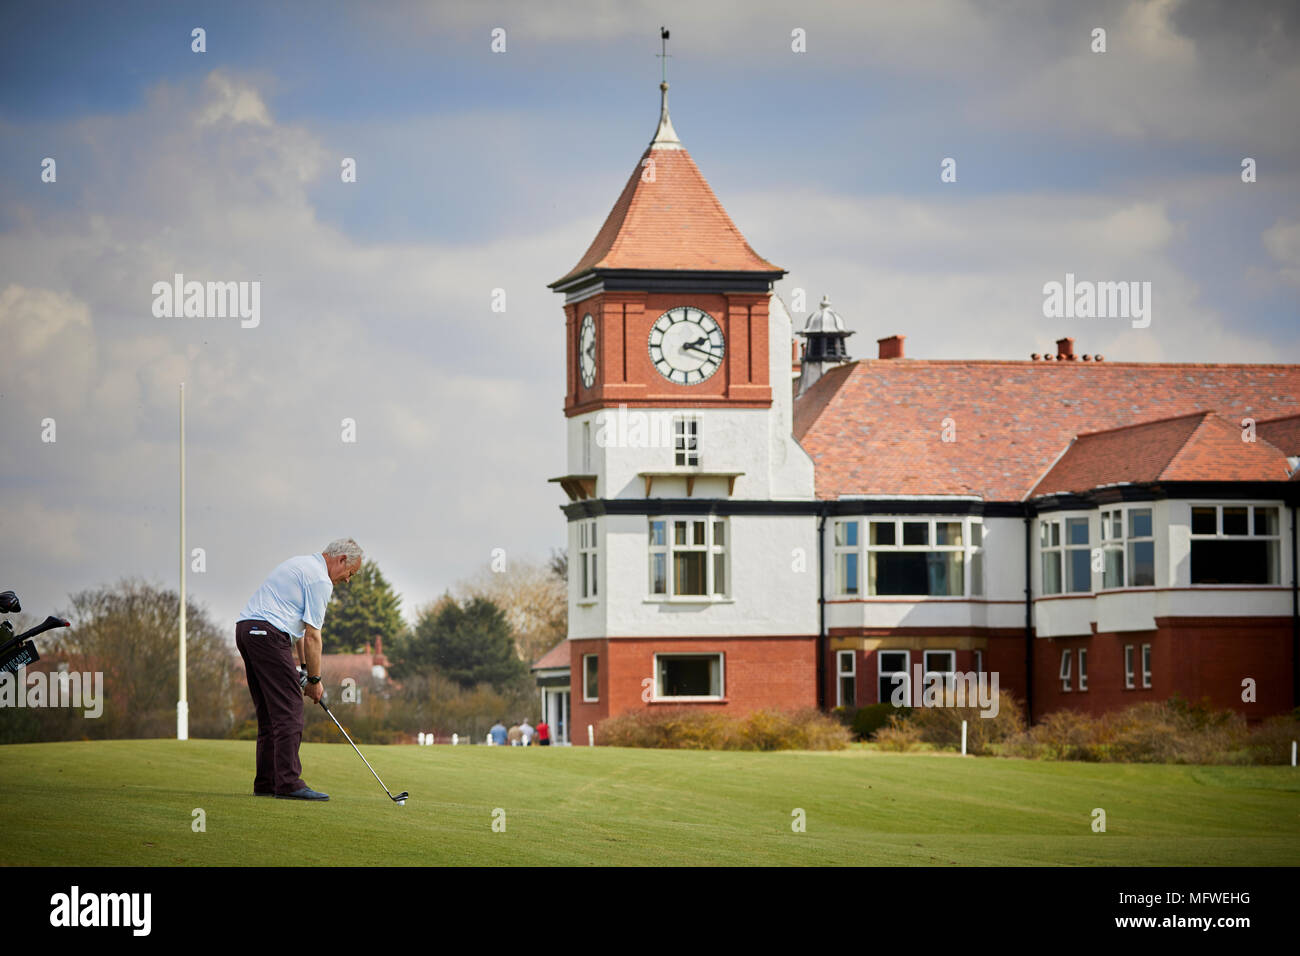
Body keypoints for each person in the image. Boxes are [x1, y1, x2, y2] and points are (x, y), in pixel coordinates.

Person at [235, 538, 363, 800]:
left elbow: (302, 633)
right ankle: (288, 783)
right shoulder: (320, 580)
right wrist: (315, 680)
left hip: (248, 630)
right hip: (269, 634)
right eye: (350, 573)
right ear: (341, 560)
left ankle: (267, 783)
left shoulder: (302, 564)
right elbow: (315, 635)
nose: (347, 580)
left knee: (271, 714)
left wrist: (304, 669)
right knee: (290, 709)